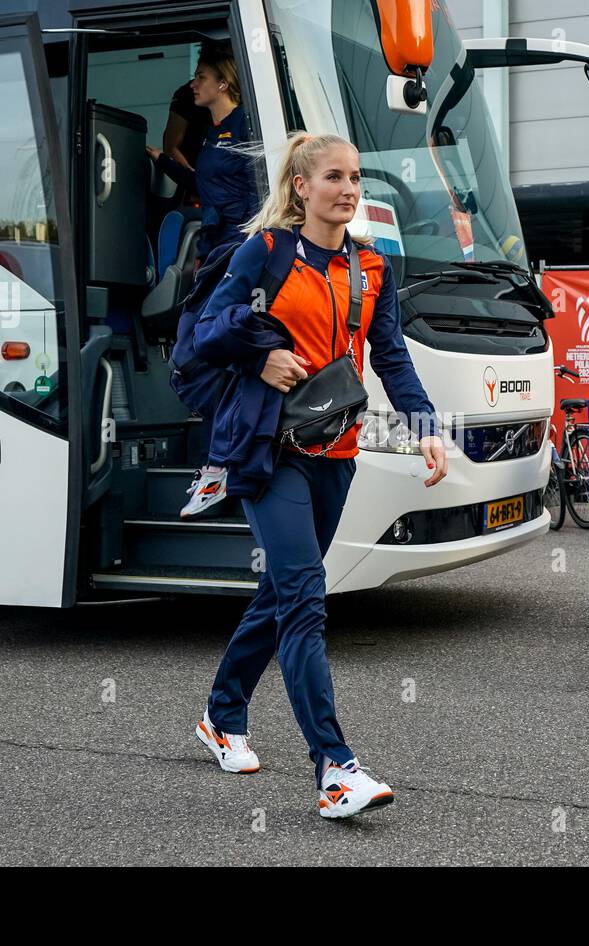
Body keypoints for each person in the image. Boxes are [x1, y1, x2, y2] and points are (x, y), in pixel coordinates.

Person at [191, 132, 447, 819]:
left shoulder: (372, 269)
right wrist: (260, 355)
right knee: (305, 600)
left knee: (281, 595)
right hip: (271, 453)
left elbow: (390, 357)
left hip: (336, 454)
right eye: (334, 176)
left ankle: (220, 714)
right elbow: (204, 332)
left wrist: (426, 429)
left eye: (356, 177)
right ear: (301, 187)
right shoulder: (267, 251)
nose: (349, 188)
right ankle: (335, 768)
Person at [145, 44, 260, 518]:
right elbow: (202, 186)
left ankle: (221, 467)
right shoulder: (212, 135)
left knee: (198, 352)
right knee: (198, 354)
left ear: (223, 84)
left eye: (200, 77)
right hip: (215, 253)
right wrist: (160, 159)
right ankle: (223, 465)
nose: (193, 84)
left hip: (235, 254)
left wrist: (254, 260)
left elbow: (259, 197)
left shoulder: (245, 132)